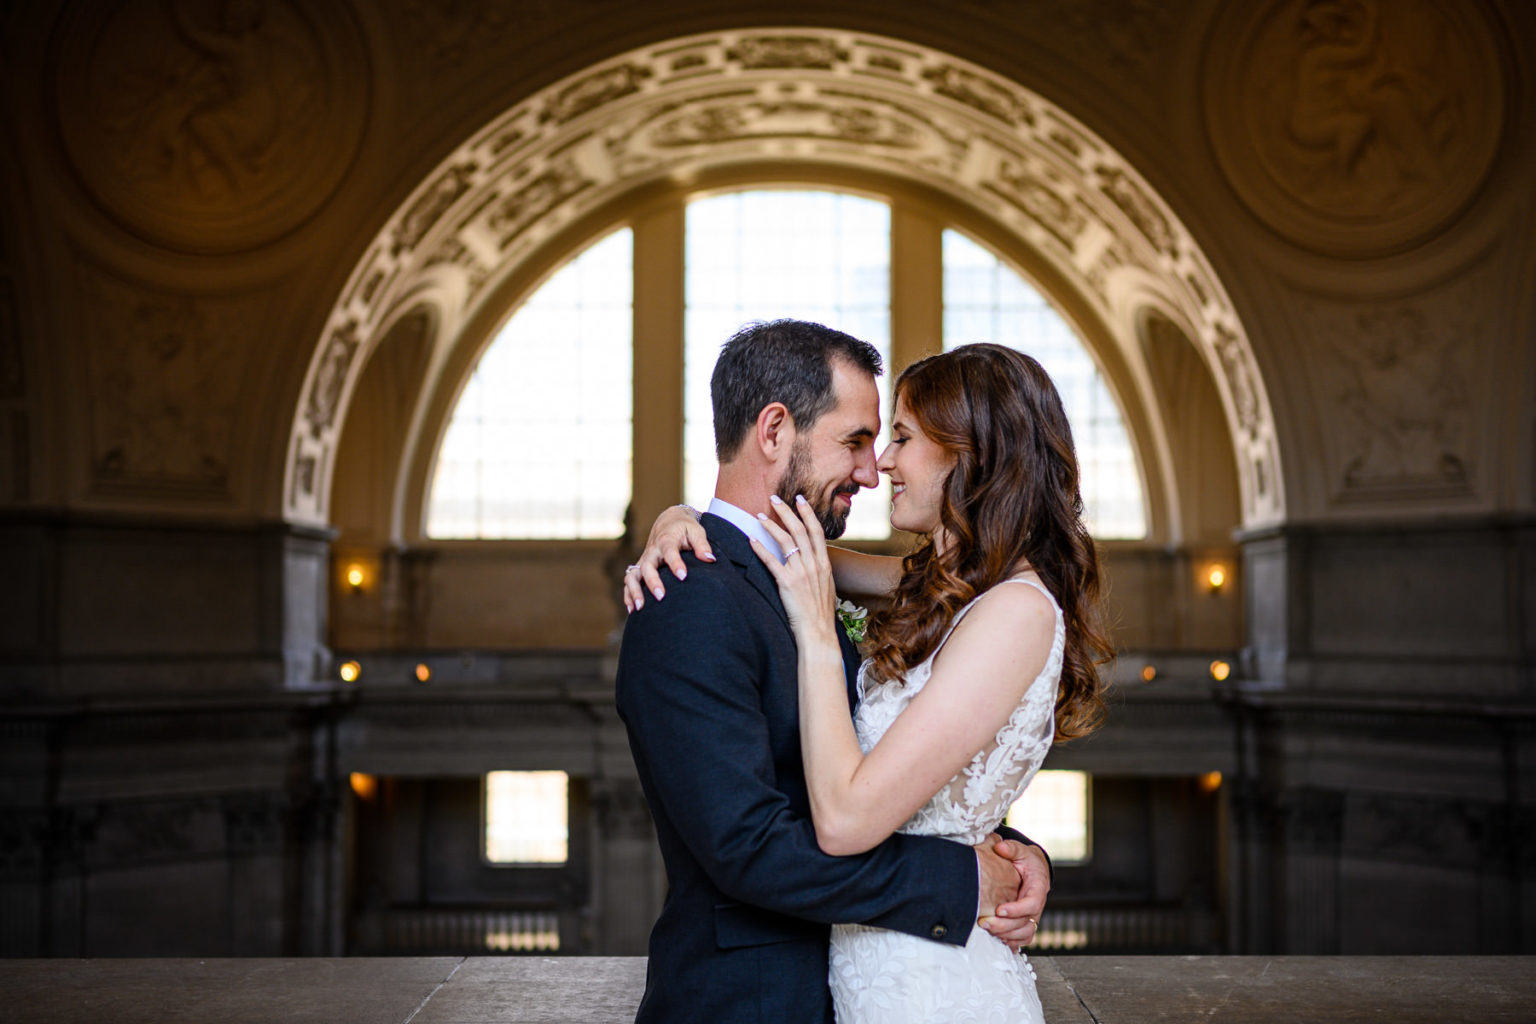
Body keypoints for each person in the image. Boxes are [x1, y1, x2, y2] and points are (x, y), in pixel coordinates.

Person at [626, 340, 1111, 1022]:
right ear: (773, 431)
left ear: (971, 455)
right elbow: (747, 846)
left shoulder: (977, 599)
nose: (875, 467)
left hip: (918, 986)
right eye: (857, 440)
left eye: (895, 440)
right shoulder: (693, 595)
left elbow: (915, 780)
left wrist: (1015, 852)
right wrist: (679, 521)